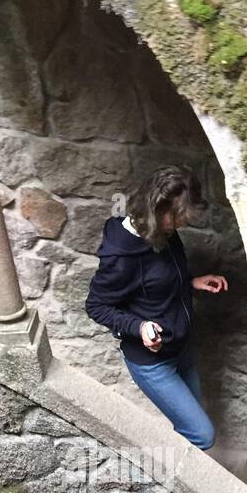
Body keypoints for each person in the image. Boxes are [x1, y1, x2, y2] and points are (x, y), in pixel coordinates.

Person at [85, 166, 228, 450]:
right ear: (155, 209)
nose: (180, 224)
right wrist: (138, 327)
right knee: (202, 434)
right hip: (152, 361)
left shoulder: (163, 233)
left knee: (189, 428)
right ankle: (170, 488)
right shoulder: (121, 258)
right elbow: (96, 306)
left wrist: (191, 283)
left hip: (181, 347)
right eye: (176, 218)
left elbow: (155, 283)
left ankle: (188, 487)